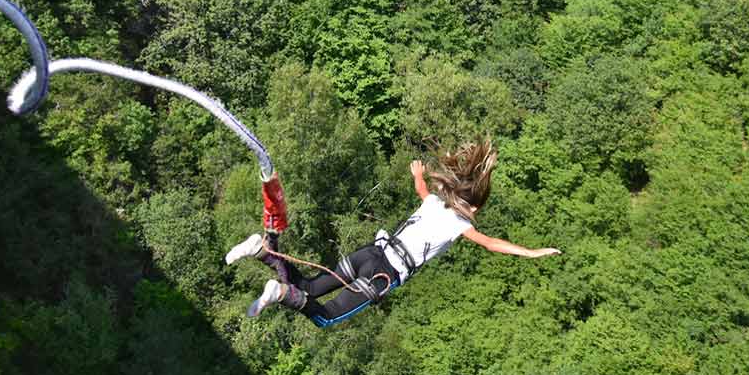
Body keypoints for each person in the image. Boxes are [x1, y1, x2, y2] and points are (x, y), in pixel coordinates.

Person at [224, 139, 561, 327]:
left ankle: (262, 252)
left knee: (309, 287)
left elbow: (421, 188)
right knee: (325, 318)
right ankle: (279, 292)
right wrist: (532, 252)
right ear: (472, 207)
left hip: (371, 253)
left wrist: (418, 174)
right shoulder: (461, 224)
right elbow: (491, 244)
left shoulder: (434, 201)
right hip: (384, 275)